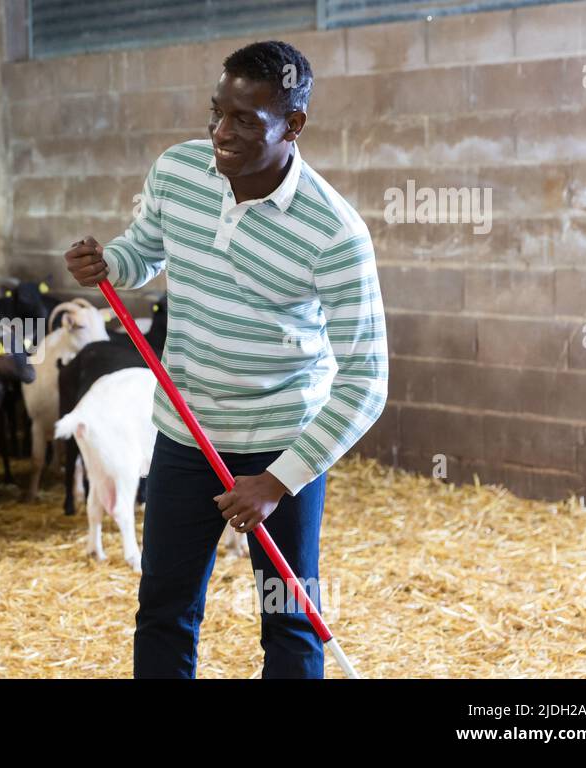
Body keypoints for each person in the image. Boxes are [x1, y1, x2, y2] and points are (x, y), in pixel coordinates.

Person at [64, 41, 388, 678]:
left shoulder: (334, 232)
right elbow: (144, 252)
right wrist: (108, 266)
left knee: (289, 618)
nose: (221, 132)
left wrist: (276, 482)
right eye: (216, 113)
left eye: (245, 120)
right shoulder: (179, 171)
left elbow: (367, 381)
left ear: (293, 126)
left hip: (281, 446)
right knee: (164, 607)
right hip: (186, 436)